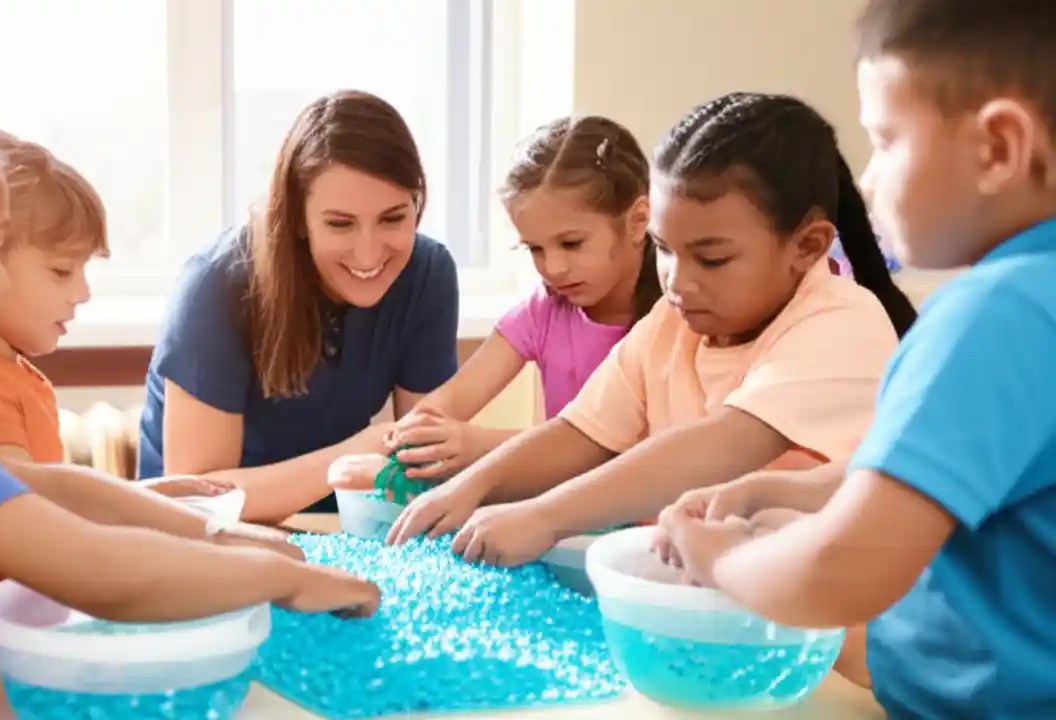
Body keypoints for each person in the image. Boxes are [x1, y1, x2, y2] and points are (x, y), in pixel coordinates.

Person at [0, 94, 379, 718]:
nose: (1, 279)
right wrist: (285, 580)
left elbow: (37, 485)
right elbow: (103, 572)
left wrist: (212, 531)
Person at [658, 1, 1056, 717]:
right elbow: (924, 473)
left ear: (998, 148)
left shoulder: (996, 316)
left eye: (886, 140)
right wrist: (772, 493)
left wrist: (715, 559)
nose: (866, 184)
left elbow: (842, 572)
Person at [388, 92, 917, 570]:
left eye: (711, 259)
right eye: (665, 250)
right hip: (698, 599)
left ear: (806, 246)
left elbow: (725, 444)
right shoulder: (671, 320)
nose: (678, 282)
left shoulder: (843, 322)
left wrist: (545, 516)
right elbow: (582, 433)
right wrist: (472, 485)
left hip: (824, 631)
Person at [0, 125, 299, 634]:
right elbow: (36, 491)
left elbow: (47, 511)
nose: (82, 293)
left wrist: (151, 496)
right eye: (60, 271)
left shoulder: (8, 373)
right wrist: (215, 533)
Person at [137, 90, 460, 521]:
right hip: (201, 538)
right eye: (340, 224)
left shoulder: (428, 274)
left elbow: (424, 458)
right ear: (297, 218)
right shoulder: (216, 285)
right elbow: (199, 501)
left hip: (332, 520)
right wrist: (358, 452)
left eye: (393, 218)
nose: (369, 254)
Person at [328, 116, 660, 488]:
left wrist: (479, 446)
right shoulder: (543, 310)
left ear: (637, 220)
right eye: (535, 248)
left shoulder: (672, 322)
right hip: (564, 518)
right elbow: (448, 402)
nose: (553, 268)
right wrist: (409, 437)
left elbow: (628, 454)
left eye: (571, 243)